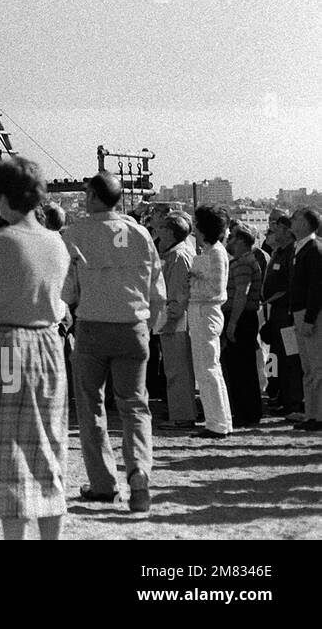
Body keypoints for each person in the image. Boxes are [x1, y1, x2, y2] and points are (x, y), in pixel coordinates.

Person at [0, 156, 71, 539]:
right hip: (49, 347)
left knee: (7, 456)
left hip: (1, 345)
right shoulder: (57, 243)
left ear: (1, 197)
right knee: (47, 448)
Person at [61, 171, 165, 512]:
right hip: (134, 325)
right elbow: (157, 290)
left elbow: (67, 289)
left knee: (91, 407)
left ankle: (103, 483)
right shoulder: (140, 233)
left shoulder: (74, 233)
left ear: (91, 196)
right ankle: (139, 476)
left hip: (92, 326)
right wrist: (148, 325)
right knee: (135, 406)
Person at [188, 206, 234, 438]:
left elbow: (215, 289)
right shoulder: (211, 251)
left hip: (206, 311)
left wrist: (193, 281)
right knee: (208, 368)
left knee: (208, 369)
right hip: (201, 311)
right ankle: (219, 420)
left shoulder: (215, 253)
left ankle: (217, 423)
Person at [155, 212, 199, 428]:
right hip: (172, 317)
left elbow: (179, 291)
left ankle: (182, 415)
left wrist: (172, 318)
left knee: (177, 369)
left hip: (176, 320)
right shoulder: (174, 253)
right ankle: (179, 410)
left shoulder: (179, 256)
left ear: (171, 232)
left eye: (162, 227)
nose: (157, 230)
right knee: (175, 368)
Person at [222, 226, 264, 427]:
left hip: (242, 318)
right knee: (242, 367)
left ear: (240, 241)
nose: (229, 242)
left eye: (232, 239)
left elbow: (241, 294)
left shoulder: (243, 263)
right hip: (244, 317)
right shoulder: (244, 262)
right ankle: (248, 411)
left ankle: (246, 412)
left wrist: (232, 324)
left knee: (241, 368)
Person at [261, 216, 303, 419]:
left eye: (275, 228)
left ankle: (293, 401)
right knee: (274, 357)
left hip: (285, 314)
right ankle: (276, 392)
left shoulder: (292, 252)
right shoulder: (278, 253)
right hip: (273, 314)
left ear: (287, 230)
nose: (272, 232)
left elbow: (291, 285)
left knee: (290, 359)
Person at [288, 207, 322, 431]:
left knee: (317, 366)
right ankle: (311, 414)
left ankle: (319, 416)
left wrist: (310, 318)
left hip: (312, 314)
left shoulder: (314, 248)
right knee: (308, 367)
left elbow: (317, 286)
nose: (292, 221)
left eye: (297, 218)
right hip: (300, 312)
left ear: (307, 224)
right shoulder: (299, 248)